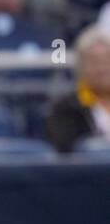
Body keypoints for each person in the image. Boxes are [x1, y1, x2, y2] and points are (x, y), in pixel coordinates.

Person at [46, 24, 110, 152]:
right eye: (94, 61)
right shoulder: (65, 108)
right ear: (80, 67)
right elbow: (65, 151)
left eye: (107, 60)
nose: (102, 68)